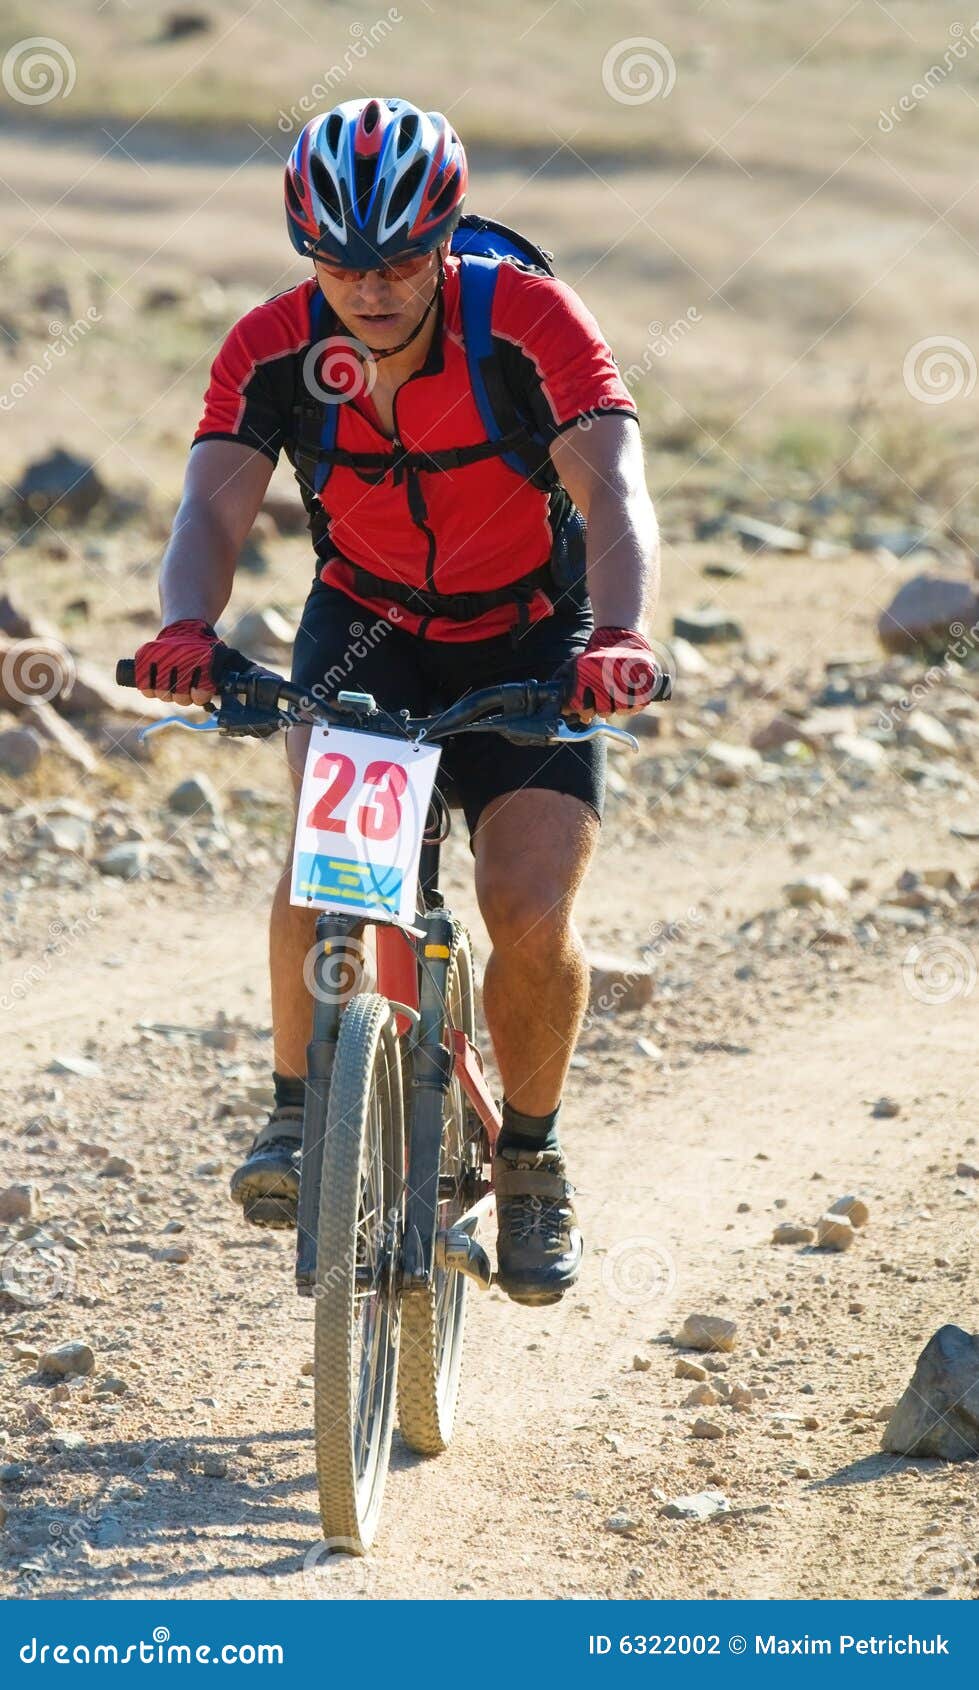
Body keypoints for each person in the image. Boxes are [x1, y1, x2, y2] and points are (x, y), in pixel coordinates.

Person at [132, 96, 661, 1307]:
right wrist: (185, 629)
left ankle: (528, 1158)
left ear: (447, 239)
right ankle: (289, 1110)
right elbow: (212, 506)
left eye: (402, 259)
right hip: (366, 629)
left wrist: (620, 634)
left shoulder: (527, 322)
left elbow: (613, 488)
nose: (370, 288)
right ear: (305, 252)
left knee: (526, 907)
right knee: (330, 864)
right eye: (340, 262)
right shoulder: (270, 347)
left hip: (537, 634)